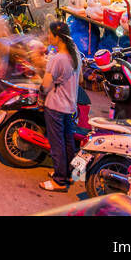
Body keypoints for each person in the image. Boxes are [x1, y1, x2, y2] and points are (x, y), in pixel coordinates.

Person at [39, 20, 81, 193]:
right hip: (70, 105)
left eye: (50, 34)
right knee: (68, 141)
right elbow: (80, 79)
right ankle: (69, 173)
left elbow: (46, 85)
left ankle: (59, 181)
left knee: (57, 144)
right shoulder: (76, 54)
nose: (48, 37)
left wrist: (40, 91)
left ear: (57, 37)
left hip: (55, 106)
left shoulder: (58, 58)